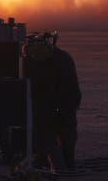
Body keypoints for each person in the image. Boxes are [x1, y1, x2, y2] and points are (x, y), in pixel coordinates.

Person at [23, 32, 81, 171]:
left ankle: (65, 165)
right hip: (44, 108)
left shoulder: (62, 60)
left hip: (63, 106)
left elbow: (71, 91)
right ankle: (54, 165)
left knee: (66, 142)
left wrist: (63, 109)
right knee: (47, 142)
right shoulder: (28, 62)